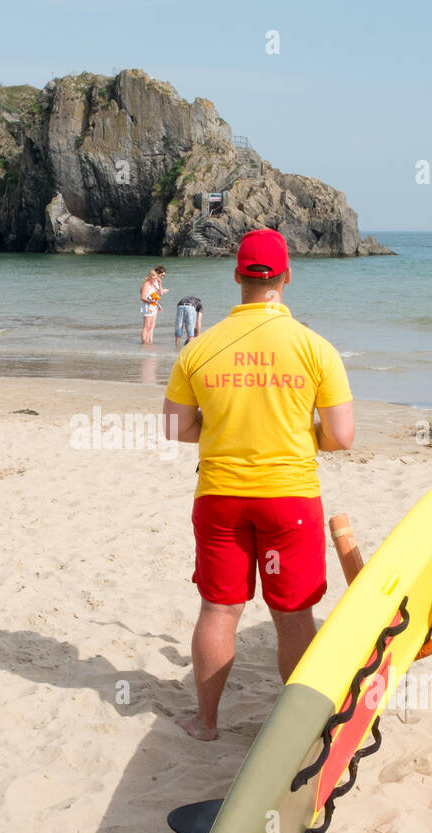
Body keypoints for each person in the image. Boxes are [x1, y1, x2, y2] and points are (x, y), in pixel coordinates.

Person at [162, 229, 355, 741]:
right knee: (293, 615)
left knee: (218, 610)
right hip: (288, 501)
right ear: (287, 276)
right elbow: (341, 437)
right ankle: (296, 733)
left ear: (237, 277)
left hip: (220, 499)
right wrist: (298, 431)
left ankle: (205, 723)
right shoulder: (316, 348)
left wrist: (226, 430)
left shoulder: (198, 349)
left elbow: (176, 429)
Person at [139, 265, 167, 345]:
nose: (162, 277)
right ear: (157, 273)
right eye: (162, 275)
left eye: (164, 276)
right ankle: (144, 343)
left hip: (154, 305)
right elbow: (143, 297)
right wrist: (151, 302)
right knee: (146, 326)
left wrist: (158, 304)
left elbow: (159, 294)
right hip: (148, 306)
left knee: (152, 326)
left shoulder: (156, 283)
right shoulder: (147, 283)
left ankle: (150, 342)